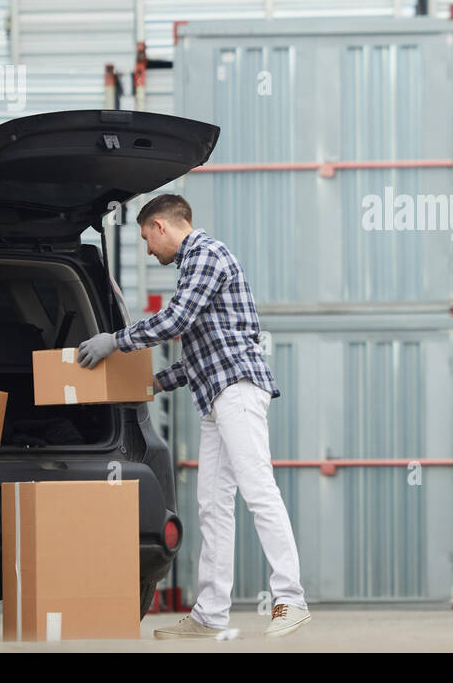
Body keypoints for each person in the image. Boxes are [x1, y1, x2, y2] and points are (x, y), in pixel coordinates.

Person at [77, 193, 310, 639]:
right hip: (215, 394)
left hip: (237, 392)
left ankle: (291, 599)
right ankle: (210, 615)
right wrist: (151, 384)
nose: (148, 250)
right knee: (213, 507)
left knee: (258, 491)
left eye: (147, 239)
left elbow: (176, 321)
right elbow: (200, 353)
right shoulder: (195, 265)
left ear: (162, 227)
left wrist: (116, 340)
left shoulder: (207, 254)